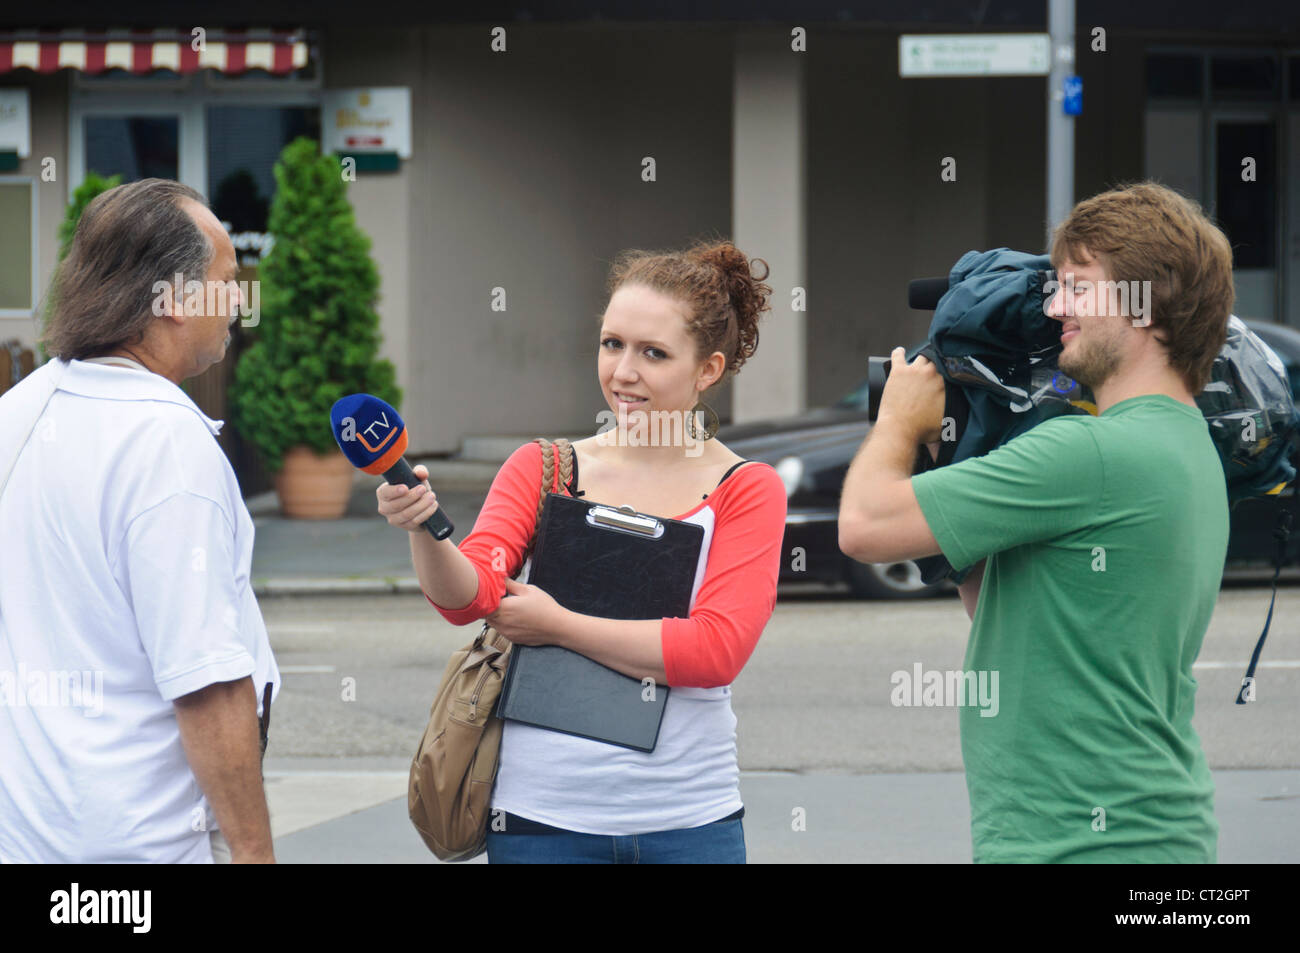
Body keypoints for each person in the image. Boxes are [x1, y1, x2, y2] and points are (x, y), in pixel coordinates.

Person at [838, 182, 1234, 863]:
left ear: (1148, 304)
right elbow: (998, 607)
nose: (1055, 309)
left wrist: (899, 419)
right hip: (1140, 837)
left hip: (1085, 845)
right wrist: (951, 450)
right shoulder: (1181, 442)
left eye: (1077, 288)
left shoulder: (1092, 454)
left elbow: (864, 525)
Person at [378, 240, 787, 863]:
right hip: (541, 818)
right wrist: (423, 529)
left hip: (687, 821)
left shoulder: (746, 487)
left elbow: (714, 651)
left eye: (654, 353)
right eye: (612, 343)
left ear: (707, 370)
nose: (623, 371)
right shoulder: (544, 466)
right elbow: (473, 597)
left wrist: (559, 626)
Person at [0, 178, 279, 863]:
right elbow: (207, 685)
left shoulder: (18, 412)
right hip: (141, 852)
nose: (239, 303)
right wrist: (254, 853)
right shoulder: (168, 446)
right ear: (175, 300)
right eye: (226, 282)